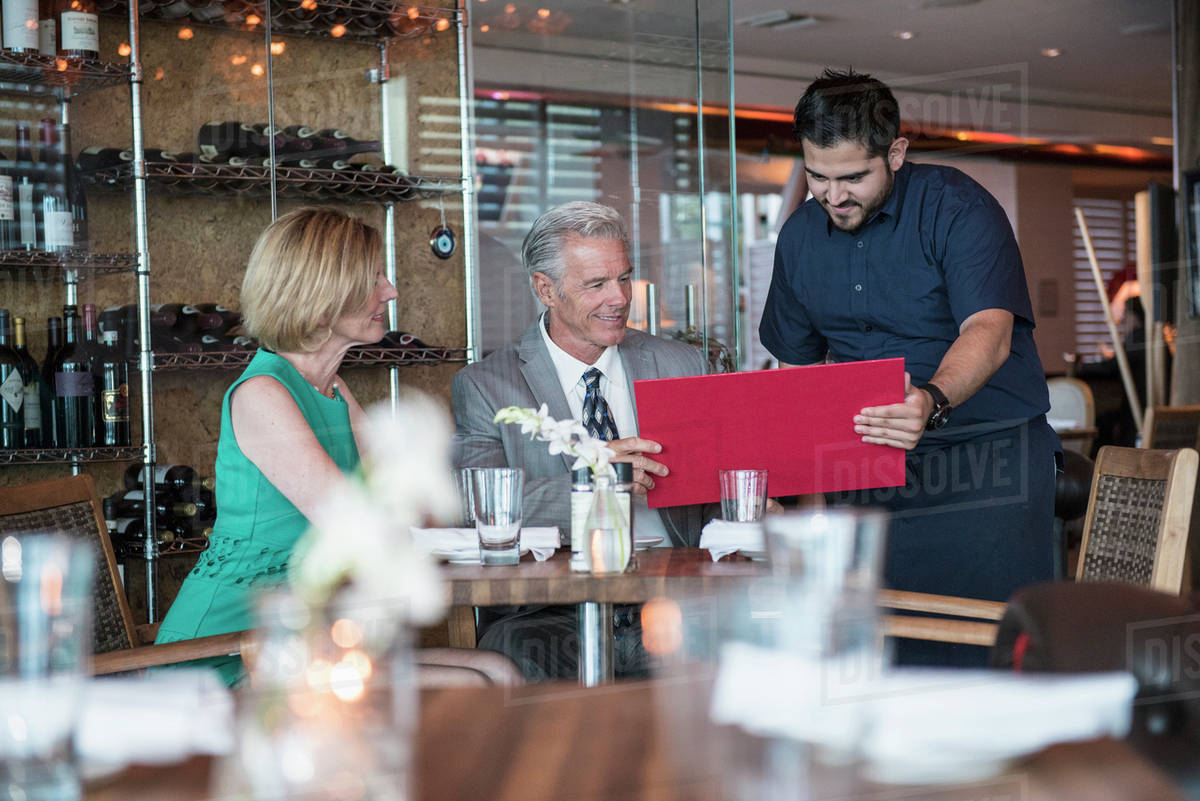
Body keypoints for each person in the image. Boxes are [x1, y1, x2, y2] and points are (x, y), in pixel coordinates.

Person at [759, 68, 1060, 665]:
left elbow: (989, 332)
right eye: (817, 175)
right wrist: (792, 488)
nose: (833, 195)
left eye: (852, 178)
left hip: (986, 468)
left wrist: (931, 399)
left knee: (989, 654)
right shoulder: (798, 238)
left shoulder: (959, 208)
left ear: (895, 152)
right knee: (870, 653)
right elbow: (797, 369)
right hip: (863, 470)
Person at [451, 200, 709, 679]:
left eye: (624, 278)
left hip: (674, 597)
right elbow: (478, 506)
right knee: (520, 657)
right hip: (550, 611)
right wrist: (592, 477)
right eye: (596, 284)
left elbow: (717, 478)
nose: (620, 298)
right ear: (545, 289)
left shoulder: (681, 364)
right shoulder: (487, 385)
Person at [154, 207, 398, 685]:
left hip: (295, 642)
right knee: (476, 681)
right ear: (321, 291)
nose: (389, 290)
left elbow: (411, 506)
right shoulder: (263, 393)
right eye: (372, 278)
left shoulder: (333, 389)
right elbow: (359, 526)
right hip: (225, 652)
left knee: (490, 672)